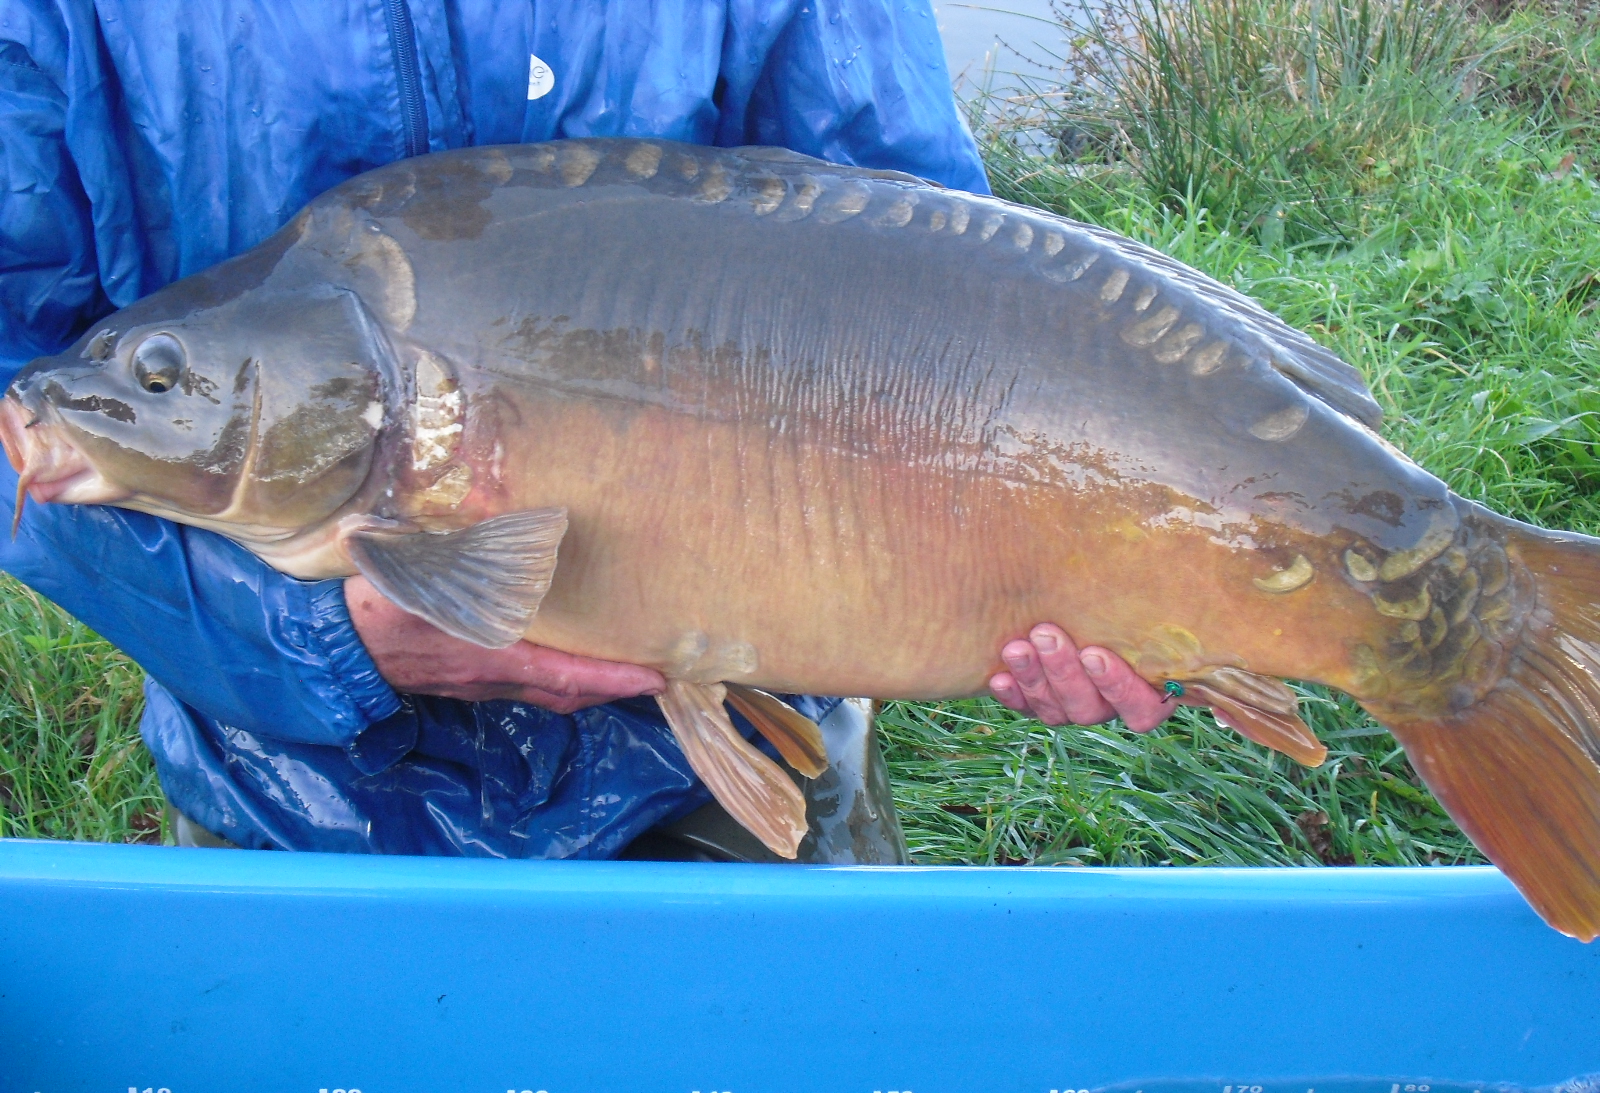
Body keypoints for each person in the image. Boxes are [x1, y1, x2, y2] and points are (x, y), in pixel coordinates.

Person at [0, 0, 1171, 861]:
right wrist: (312, 636)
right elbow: (17, 391)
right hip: (284, 786)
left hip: (733, 744)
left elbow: (939, 297)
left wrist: (1032, 569)